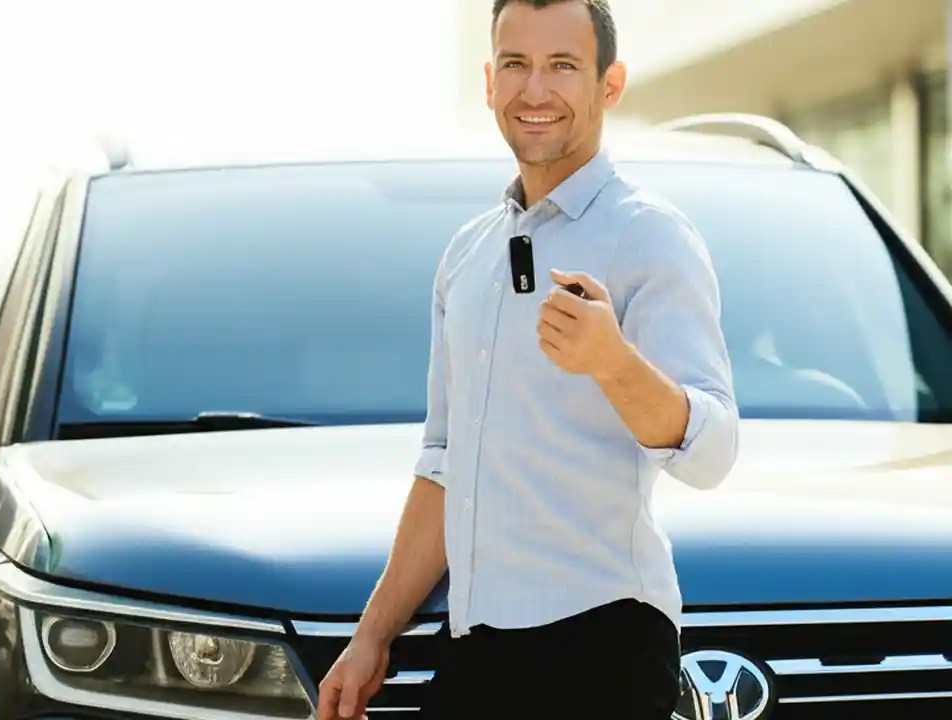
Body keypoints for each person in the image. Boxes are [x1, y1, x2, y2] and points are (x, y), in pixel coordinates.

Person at [315, 0, 739, 717]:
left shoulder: (650, 237)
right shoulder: (467, 255)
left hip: (605, 646)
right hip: (476, 651)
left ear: (609, 84)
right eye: (516, 64)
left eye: (562, 66)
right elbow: (443, 463)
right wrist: (372, 636)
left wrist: (613, 364)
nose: (534, 90)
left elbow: (714, 454)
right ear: (489, 82)